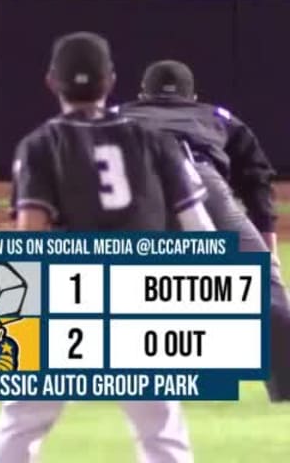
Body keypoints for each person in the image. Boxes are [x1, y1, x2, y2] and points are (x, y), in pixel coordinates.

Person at [0, 32, 210, 463]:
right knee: (161, 428)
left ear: (52, 81)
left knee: (22, 420)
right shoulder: (154, 140)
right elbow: (199, 228)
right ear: (111, 81)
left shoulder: (41, 143)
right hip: (143, 293)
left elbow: (30, 237)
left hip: (69, 293)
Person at [117, 59, 289, 402]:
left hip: (135, 192)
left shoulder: (116, 114)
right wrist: (266, 245)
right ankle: (286, 386)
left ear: (142, 94)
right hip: (199, 181)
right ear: (192, 96)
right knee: (264, 293)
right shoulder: (216, 117)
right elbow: (256, 178)